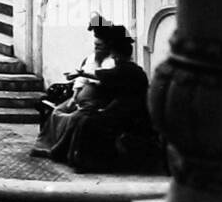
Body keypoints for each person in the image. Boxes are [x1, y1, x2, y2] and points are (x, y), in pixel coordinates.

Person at [32, 23, 157, 173]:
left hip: (131, 114)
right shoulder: (124, 68)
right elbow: (100, 76)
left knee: (86, 122)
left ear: (118, 55)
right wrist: (80, 78)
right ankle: (68, 155)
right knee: (81, 118)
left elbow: (104, 77)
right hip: (118, 108)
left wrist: (84, 78)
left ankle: (82, 161)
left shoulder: (127, 70)